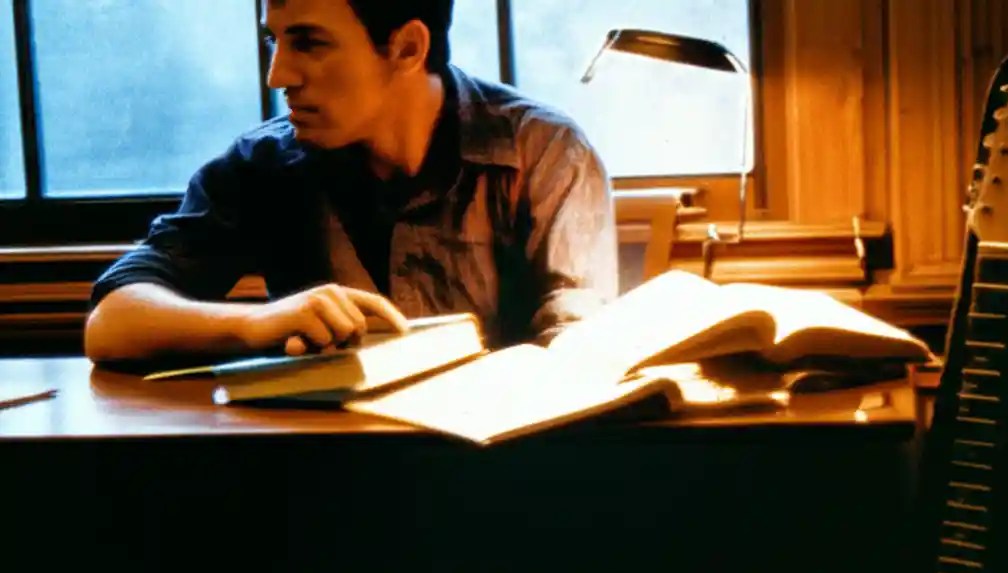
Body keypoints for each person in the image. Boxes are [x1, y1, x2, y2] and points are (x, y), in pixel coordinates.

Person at [84, 0, 619, 364]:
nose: (278, 76)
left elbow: (577, 357)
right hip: (332, 483)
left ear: (407, 48)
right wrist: (258, 324)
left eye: (309, 43)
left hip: (505, 482)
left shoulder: (543, 153)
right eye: (275, 41)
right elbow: (110, 322)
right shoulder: (263, 165)